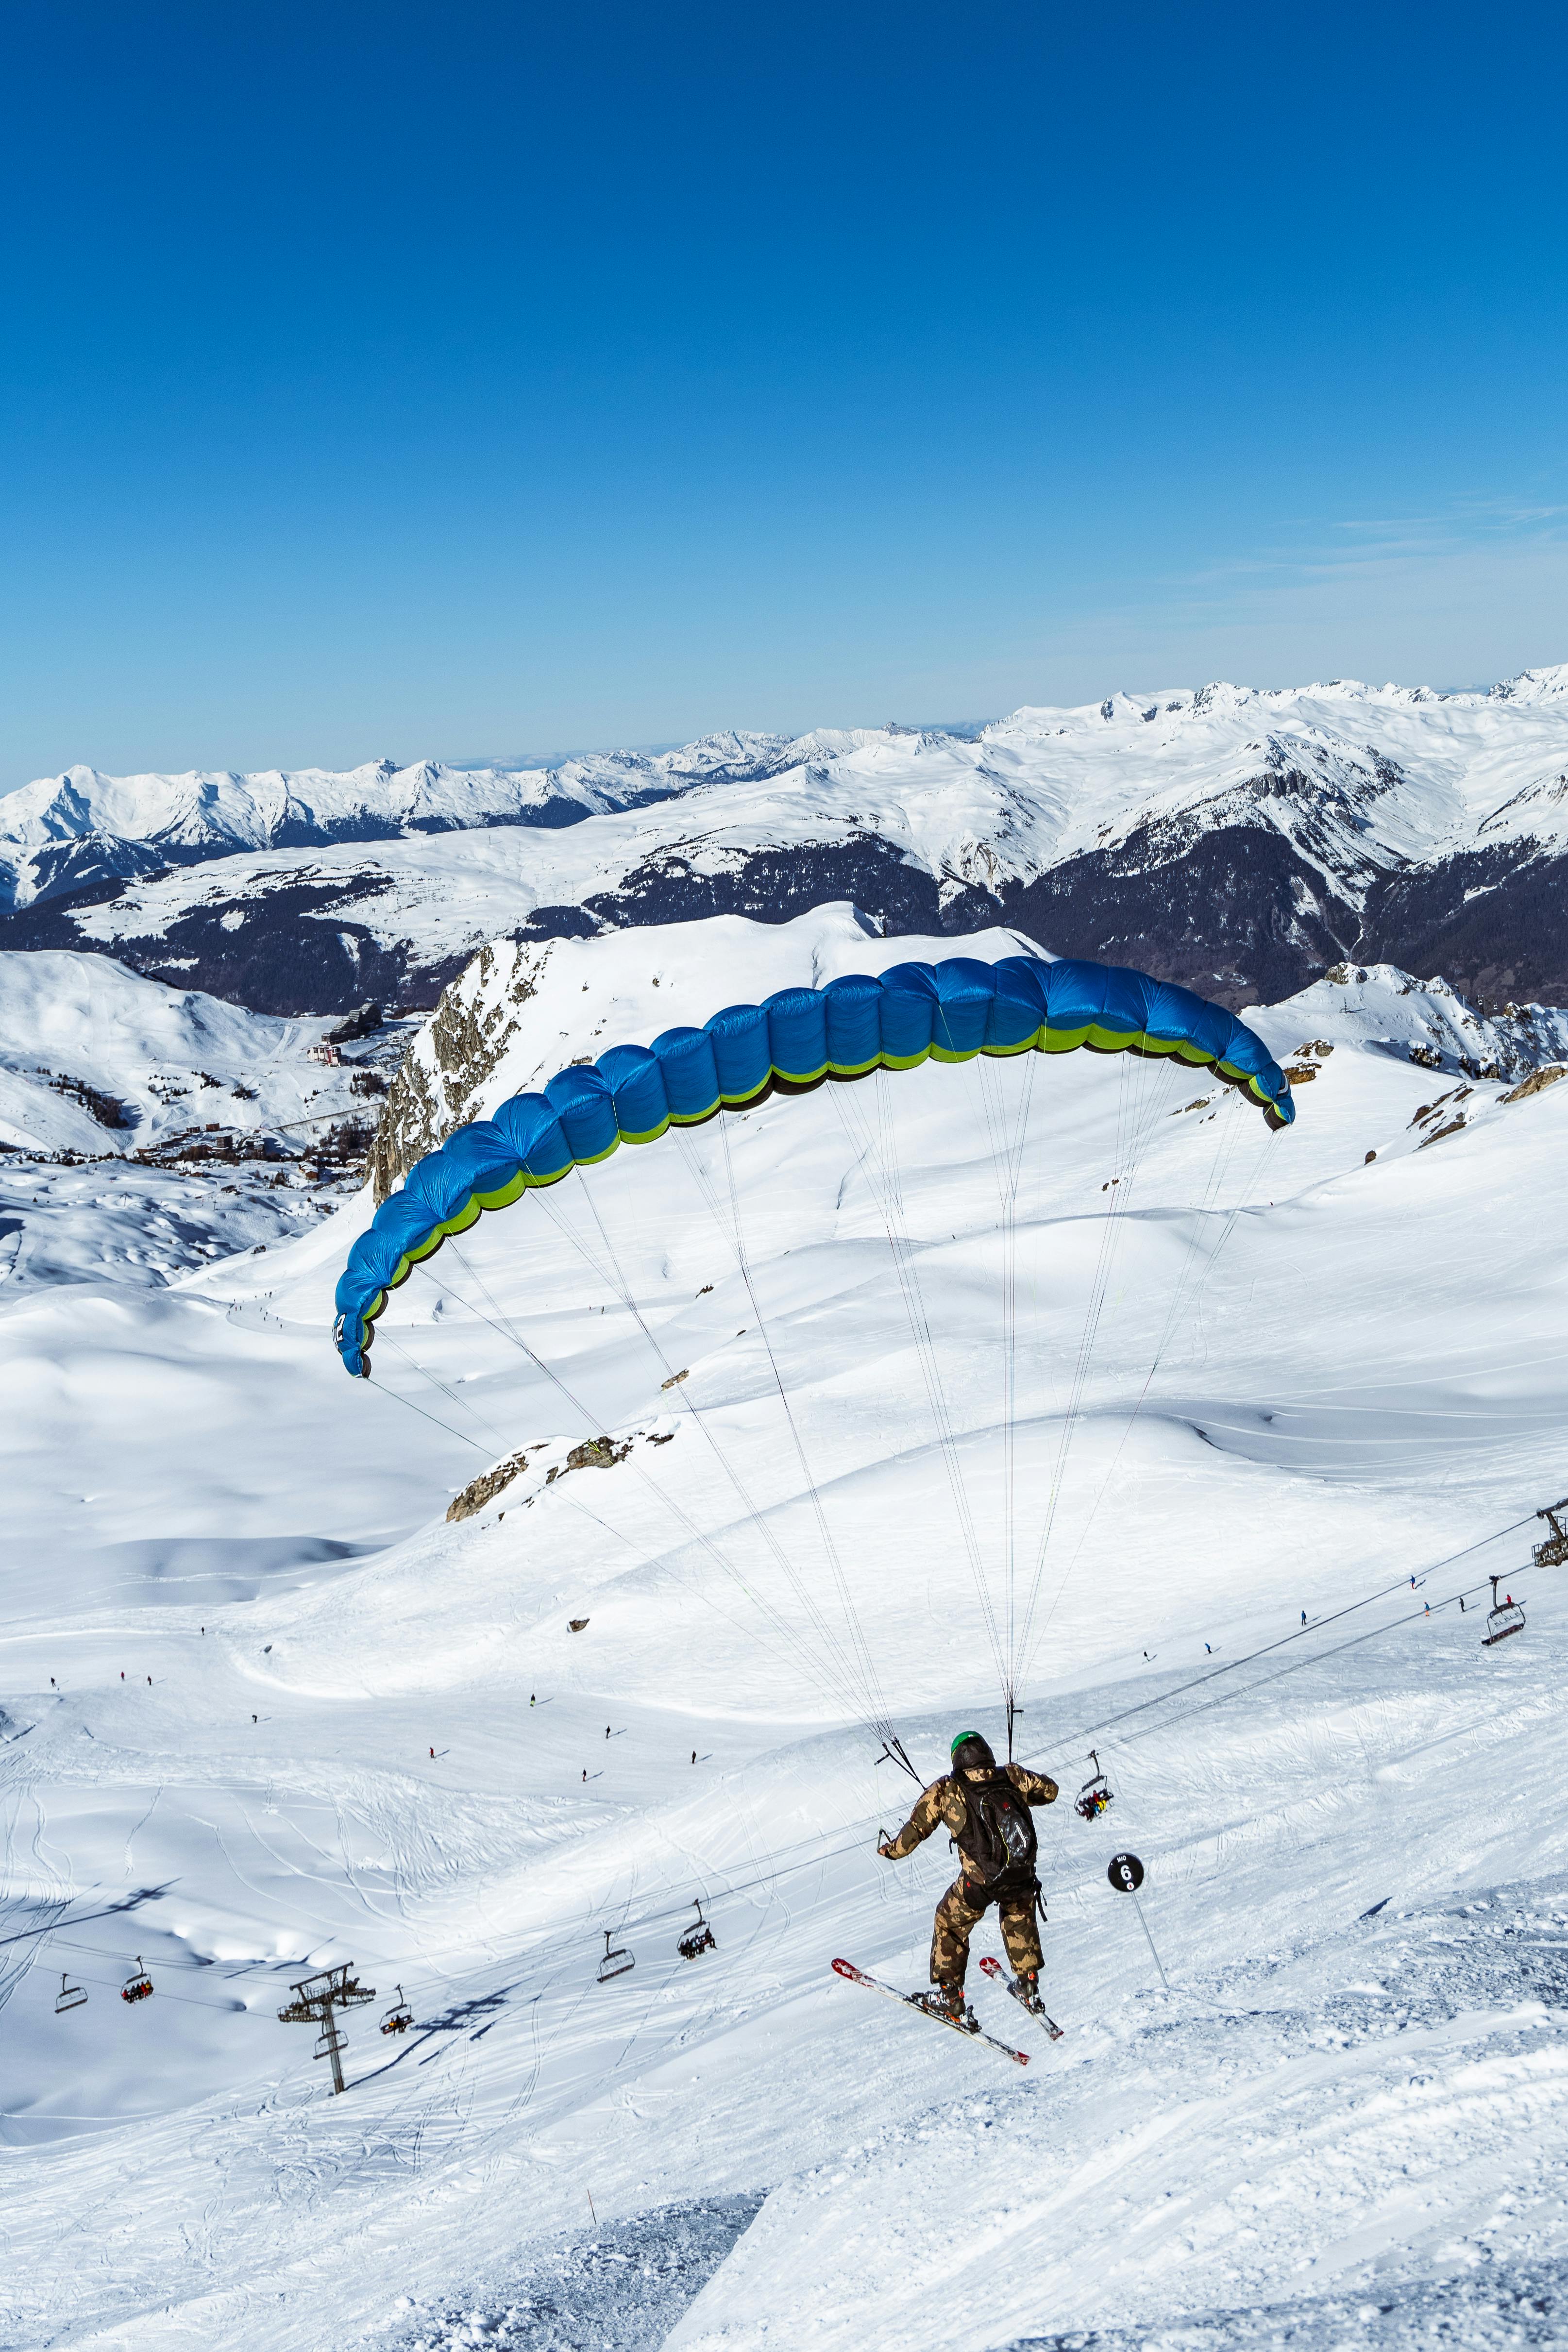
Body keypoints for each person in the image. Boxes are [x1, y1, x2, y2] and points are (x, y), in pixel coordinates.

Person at [877, 1730, 1058, 2023]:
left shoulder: (947, 1789)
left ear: (956, 1759)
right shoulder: (1011, 1775)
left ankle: (950, 1997)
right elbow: (1050, 1791)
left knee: (948, 1921)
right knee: (1018, 1913)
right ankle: (1028, 1984)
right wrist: (1018, 1779)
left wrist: (890, 1851)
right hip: (1021, 1875)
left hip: (981, 1883)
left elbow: (916, 1830)